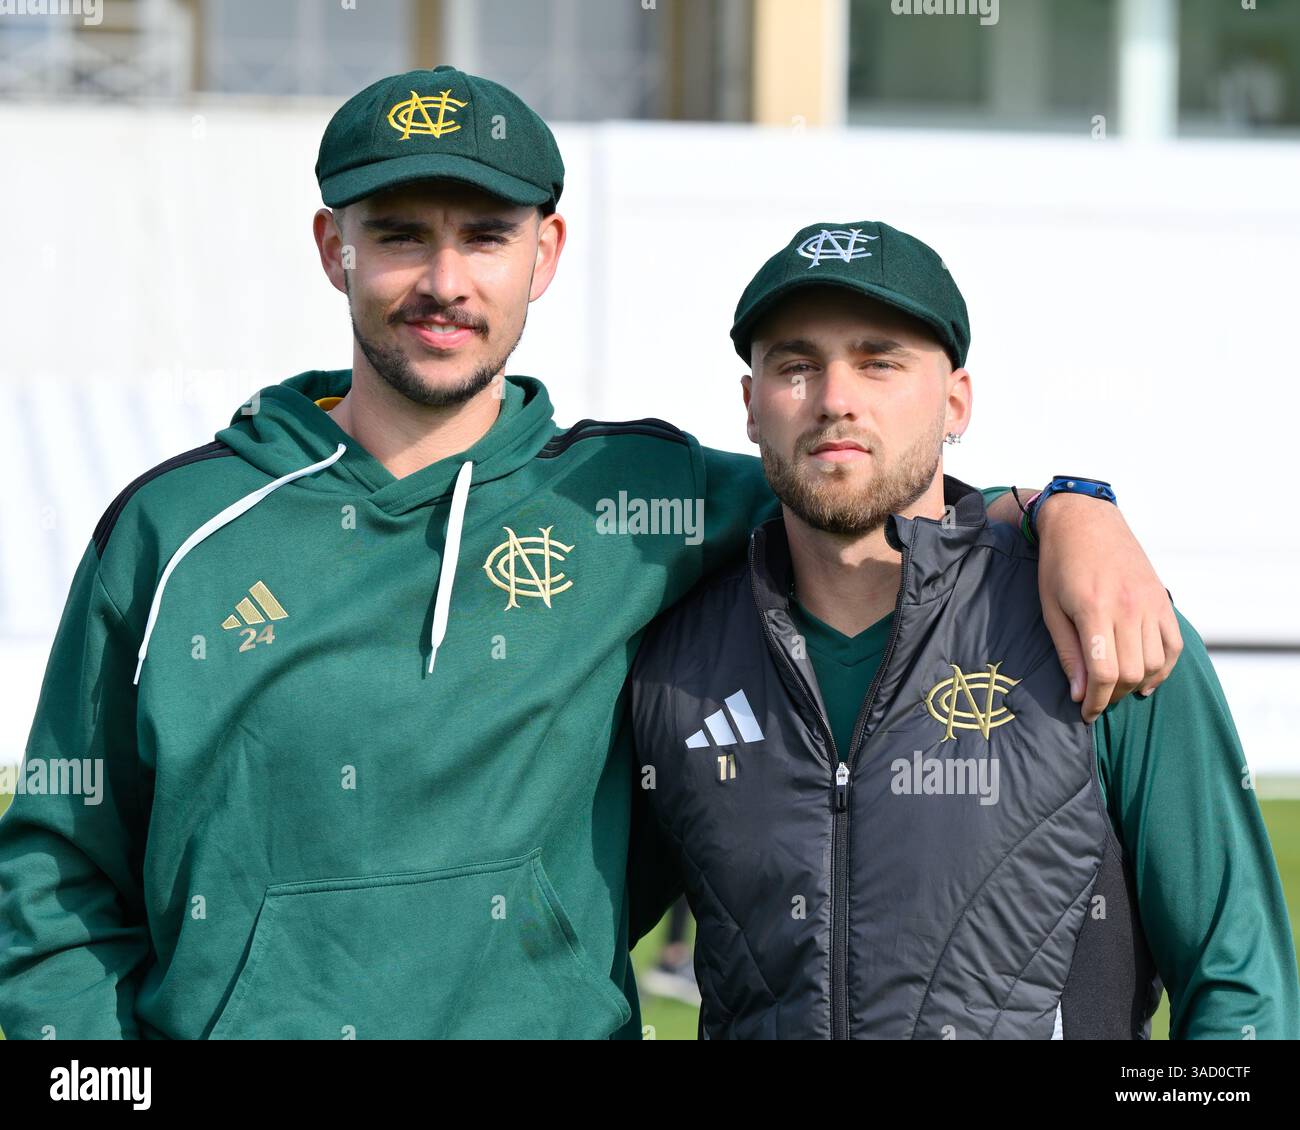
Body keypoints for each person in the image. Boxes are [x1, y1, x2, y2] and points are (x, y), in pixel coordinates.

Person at [0, 69, 1182, 1040]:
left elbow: (854, 479)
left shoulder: (633, 498)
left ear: (546, 252)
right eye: (400, 236)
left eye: (486, 236)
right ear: (332, 247)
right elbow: (56, 867)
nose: (445, 281)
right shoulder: (175, 528)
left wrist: (1069, 505)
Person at [626, 219, 1300, 1039]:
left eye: (880, 362)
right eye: (796, 366)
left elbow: (1242, 992)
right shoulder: (671, 664)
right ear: (749, 405)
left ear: (955, 402)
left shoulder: (1104, 627)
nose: (836, 398)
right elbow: (559, 954)